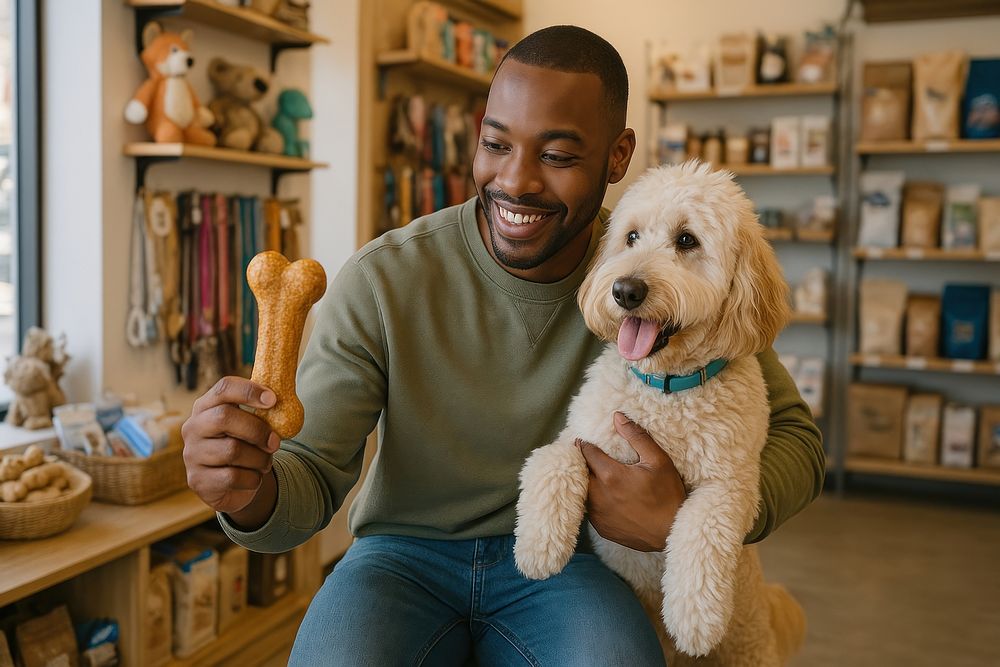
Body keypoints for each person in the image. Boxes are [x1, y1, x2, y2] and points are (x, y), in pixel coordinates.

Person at [181, 25, 825, 666]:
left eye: (558, 155)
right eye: (495, 144)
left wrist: (689, 519)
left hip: (570, 564)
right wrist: (247, 487)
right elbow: (310, 477)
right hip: (401, 556)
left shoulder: (665, 286)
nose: (515, 181)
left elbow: (798, 438)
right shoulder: (383, 279)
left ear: (617, 157)